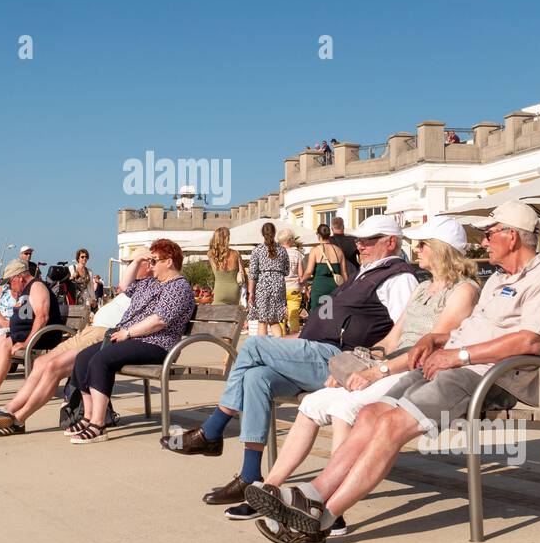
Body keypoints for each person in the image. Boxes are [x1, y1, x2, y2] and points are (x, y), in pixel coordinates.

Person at [242, 200, 540, 543]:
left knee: (392, 425)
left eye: (490, 234)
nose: (484, 241)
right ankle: (312, 494)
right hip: (454, 365)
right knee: (370, 414)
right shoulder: (498, 280)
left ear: (512, 237)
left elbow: (531, 341)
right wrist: (438, 339)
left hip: (486, 377)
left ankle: (322, 517)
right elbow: (476, 329)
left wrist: (457, 354)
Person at [162, 214, 418, 508]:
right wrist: (293, 338)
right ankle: (250, 476)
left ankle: (212, 430)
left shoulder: (398, 278)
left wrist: (368, 365)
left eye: (368, 240)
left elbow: (404, 333)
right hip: (314, 350)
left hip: (338, 360)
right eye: (358, 240)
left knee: (255, 344)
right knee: (255, 377)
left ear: (391, 242)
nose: (360, 245)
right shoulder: (367, 271)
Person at [242, 216, 480, 525]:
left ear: (441, 249)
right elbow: (392, 338)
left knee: (345, 406)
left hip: (415, 369)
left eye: (422, 244)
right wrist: (357, 363)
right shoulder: (422, 288)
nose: (417, 249)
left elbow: (429, 349)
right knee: (313, 402)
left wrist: (377, 370)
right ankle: (272, 489)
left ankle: (330, 510)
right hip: (391, 364)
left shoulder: (462, 291)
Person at [0, 259, 149, 436]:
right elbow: (125, 283)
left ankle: (18, 419)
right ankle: (8, 409)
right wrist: (139, 260)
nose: (130, 268)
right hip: (89, 330)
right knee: (40, 362)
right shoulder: (139, 286)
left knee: (53, 367)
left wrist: (26, 341)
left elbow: (42, 316)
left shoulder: (155, 289)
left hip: (106, 334)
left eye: (153, 261)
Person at [62, 240, 196, 444]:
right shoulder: (150, 282)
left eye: (154, 261)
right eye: (149, 261)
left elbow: (159, 321)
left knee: (101, 360)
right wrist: (137, 260)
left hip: (156, 344)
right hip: (133, 338)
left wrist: (128, 332)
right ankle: (88, 416)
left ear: (169, 262)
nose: (150, 265)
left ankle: (99, 424)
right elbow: (123, 287)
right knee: (83, 357)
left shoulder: (179, 287)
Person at [0, 260, 61, 406]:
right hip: (24, 334)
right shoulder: (25, 289)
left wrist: (27, 343)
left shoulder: (37, 286)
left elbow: (42, 317)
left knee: (5, 345)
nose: (8, 285)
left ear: (19, 277)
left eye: (10, 281)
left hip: (42, 336)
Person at [248, 222, 290, 336]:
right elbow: (287, 271)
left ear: (262, 234)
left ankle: (262, 348)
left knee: (262, 320)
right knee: (274, 319)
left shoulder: (257, 250)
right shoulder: (282, 250)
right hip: (278, 284)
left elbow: (252, 273)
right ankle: (278, 347)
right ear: (275, 233)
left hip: (263, 284)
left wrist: (251, 291)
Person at [302, 223, 348, 312]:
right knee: (333, 315)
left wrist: (301, 279)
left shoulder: (315, 250)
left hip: (320, 287)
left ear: (318, 235)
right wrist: (346, 287)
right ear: (329, 235)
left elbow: (309, 271)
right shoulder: (338, 250)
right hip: (336, 287)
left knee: (318, 315)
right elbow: (344, 272)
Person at [207, 227, 245, 306]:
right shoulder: (236, 254)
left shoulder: (211, 254)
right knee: (232, 316)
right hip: (234, 292)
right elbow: (243, 273)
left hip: (219, 291)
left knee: (217, 315)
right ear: (227, 238)